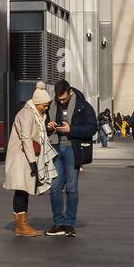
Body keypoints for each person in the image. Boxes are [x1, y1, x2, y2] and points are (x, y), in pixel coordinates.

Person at [44, 78, 96, 237]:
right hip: (55, 148)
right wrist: (48, 125)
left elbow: (92, 128)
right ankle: (58, 222)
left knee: (72, 188)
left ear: (70, 92)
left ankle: (69, 223)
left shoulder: (83, 106)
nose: (61, 101)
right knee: (54, 188)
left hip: (73, 149)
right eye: (59, 99)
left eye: (64, 98)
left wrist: (71, 129)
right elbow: (43, 124)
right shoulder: (51, 106)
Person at [5, 82, 51, 237]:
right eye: (44, 105)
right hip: (22, 158)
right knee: (21, 190)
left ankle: (22, 224)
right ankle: (21, 226)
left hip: (26, 157)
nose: (46, 108)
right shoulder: (26, 114)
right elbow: (26, 138)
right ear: (37, 103)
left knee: (23, 191)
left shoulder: (35, 114)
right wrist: (32, 162)